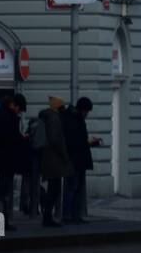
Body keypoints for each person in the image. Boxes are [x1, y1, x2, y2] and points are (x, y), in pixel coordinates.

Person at [0, 93, 28, 230]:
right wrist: (22, 139)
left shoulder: (0, 114)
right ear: (14, 105)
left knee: (0, 190)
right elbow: (10, 139)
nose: (19, 112)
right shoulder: (9, 117)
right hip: (5, 160)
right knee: (2, 191)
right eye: (19, 109)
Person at [62, 97, 101, 224]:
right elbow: (76, 142)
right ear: (83, 110)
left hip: (75, 160)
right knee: (72, 188)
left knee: (74, 188)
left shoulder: (72, 119)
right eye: (87, 111)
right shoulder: (75, 121)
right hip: (75, 160)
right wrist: (89, 143)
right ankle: (69, 215)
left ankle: (72, 214)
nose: (87, 114)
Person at [37, 96, 73, 227]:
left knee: (53, 188)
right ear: (58, 107)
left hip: (47, 158)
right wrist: (64, 154)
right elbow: (55, 139)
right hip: (54, 159)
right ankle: (47, 217)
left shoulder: (45, 117)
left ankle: (47, 216)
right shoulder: (54, 118)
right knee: (54, 189)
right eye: (61, 106)